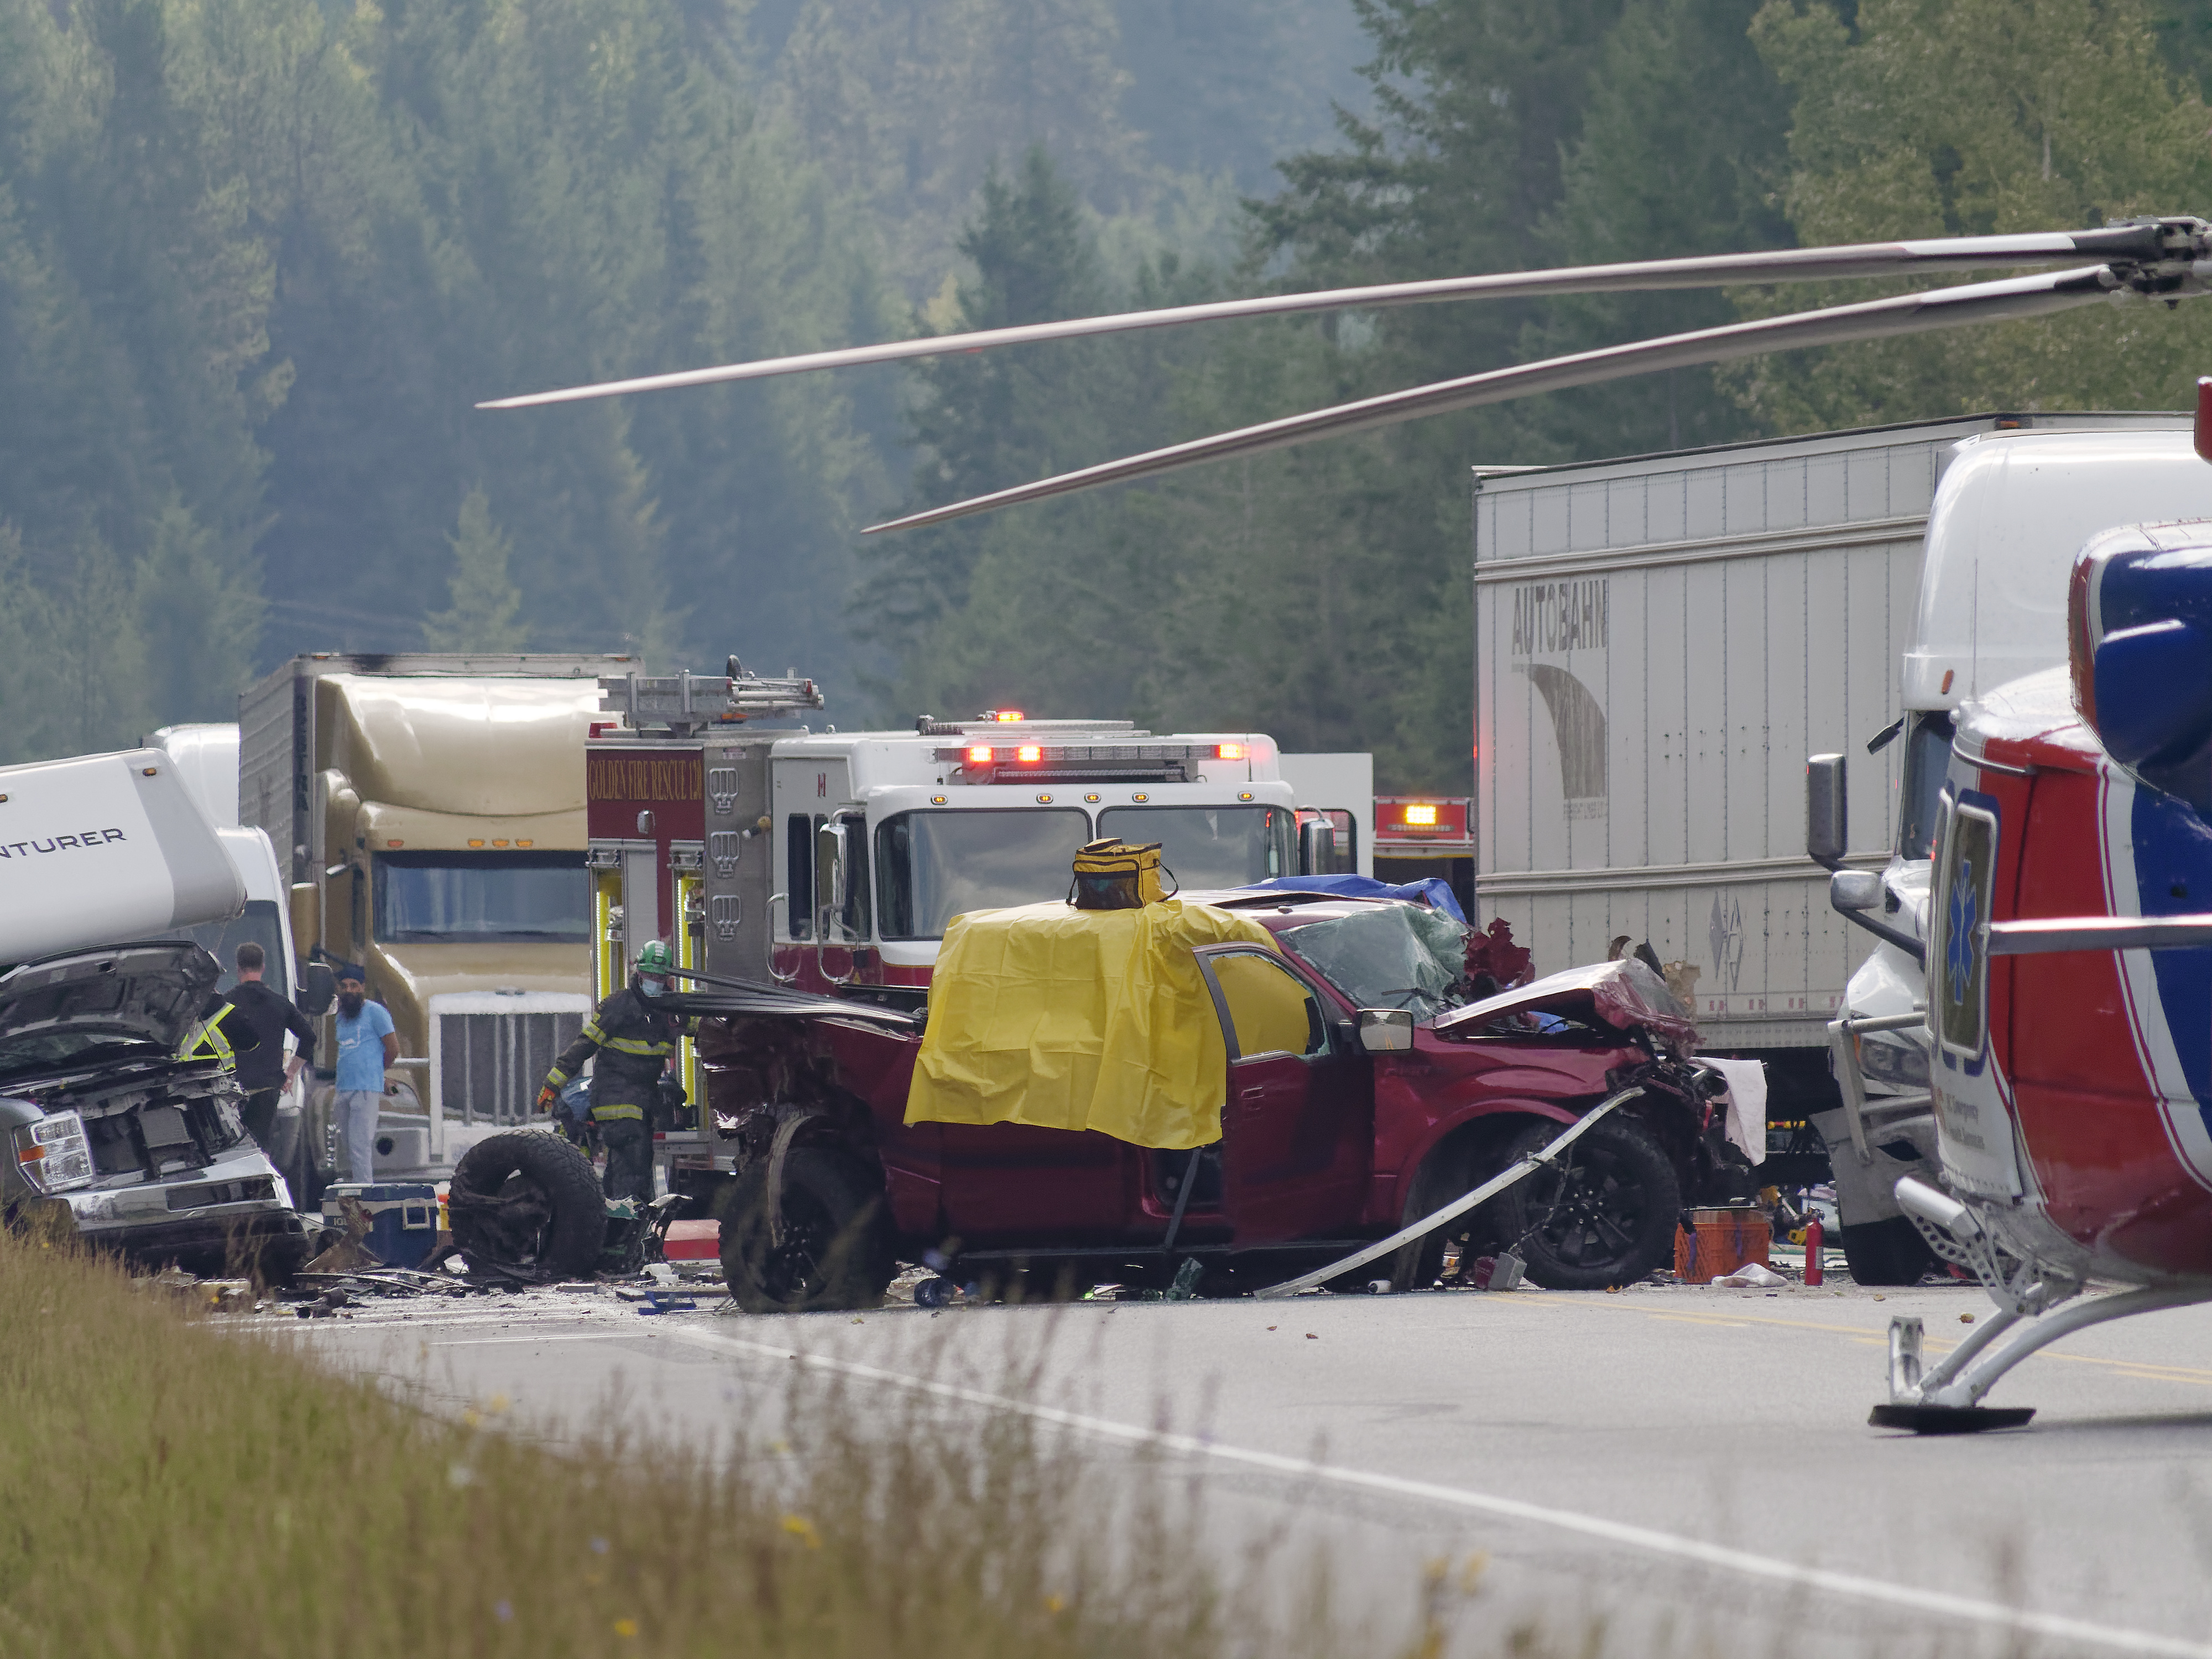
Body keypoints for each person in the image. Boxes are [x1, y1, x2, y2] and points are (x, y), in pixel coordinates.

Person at [538, 938, 686, 1206]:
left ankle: (612, 1227)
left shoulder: (670, 1010)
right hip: (616, 1101)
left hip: (640, 1102)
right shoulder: (618, 1006)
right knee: (634, 1168)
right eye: (649, 974)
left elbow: (701, 1023)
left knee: (625, 1171)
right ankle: (628, 1226)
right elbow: (584, 1045)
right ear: (638, 972)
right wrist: (553, 1084)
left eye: (660, 976)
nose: (654, 980)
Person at [223, 942, 316, 1152]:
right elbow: (309, 1038)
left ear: (238, 968)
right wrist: (290, 1073)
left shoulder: (226, 1004)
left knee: (232, 1149)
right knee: (259, 1147)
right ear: (263, 967)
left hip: (234, 1089)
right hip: (268, 1088)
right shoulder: (280, 1004)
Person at [331, 964, 398, 1185]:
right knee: (346, 1148)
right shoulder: (340, 1017)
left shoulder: (376, 1012)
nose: (349, 990)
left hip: (366, 1088)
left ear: (362, 988)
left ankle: (365, 1196)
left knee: (360, 1147)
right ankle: (351, 1193)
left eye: (354, 986)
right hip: (343, 1088)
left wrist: (379, 1073)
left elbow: (393, 1048)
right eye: (344, 986)